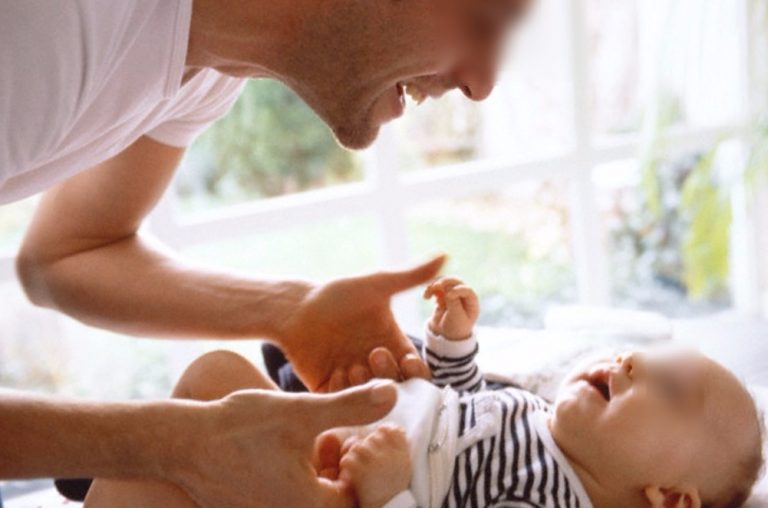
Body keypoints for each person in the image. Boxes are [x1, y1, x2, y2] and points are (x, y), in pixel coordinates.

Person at [0, 0, 531, 505]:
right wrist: (178, 443)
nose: (480, 85)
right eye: (482, 19)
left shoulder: (209, 70)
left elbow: (69, 253)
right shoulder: (48, 29)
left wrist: (289, 312)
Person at [83, 276, 766, 508]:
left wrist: (389, 493)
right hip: (343, 450)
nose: (628, 365)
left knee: (205, 420)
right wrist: (453, 346)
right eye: (634, 355)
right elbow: (463, 406)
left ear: (671, 500)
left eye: (667, 388)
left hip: (351, 495)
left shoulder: (551, 499)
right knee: (212, 378)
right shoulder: (541, 420)